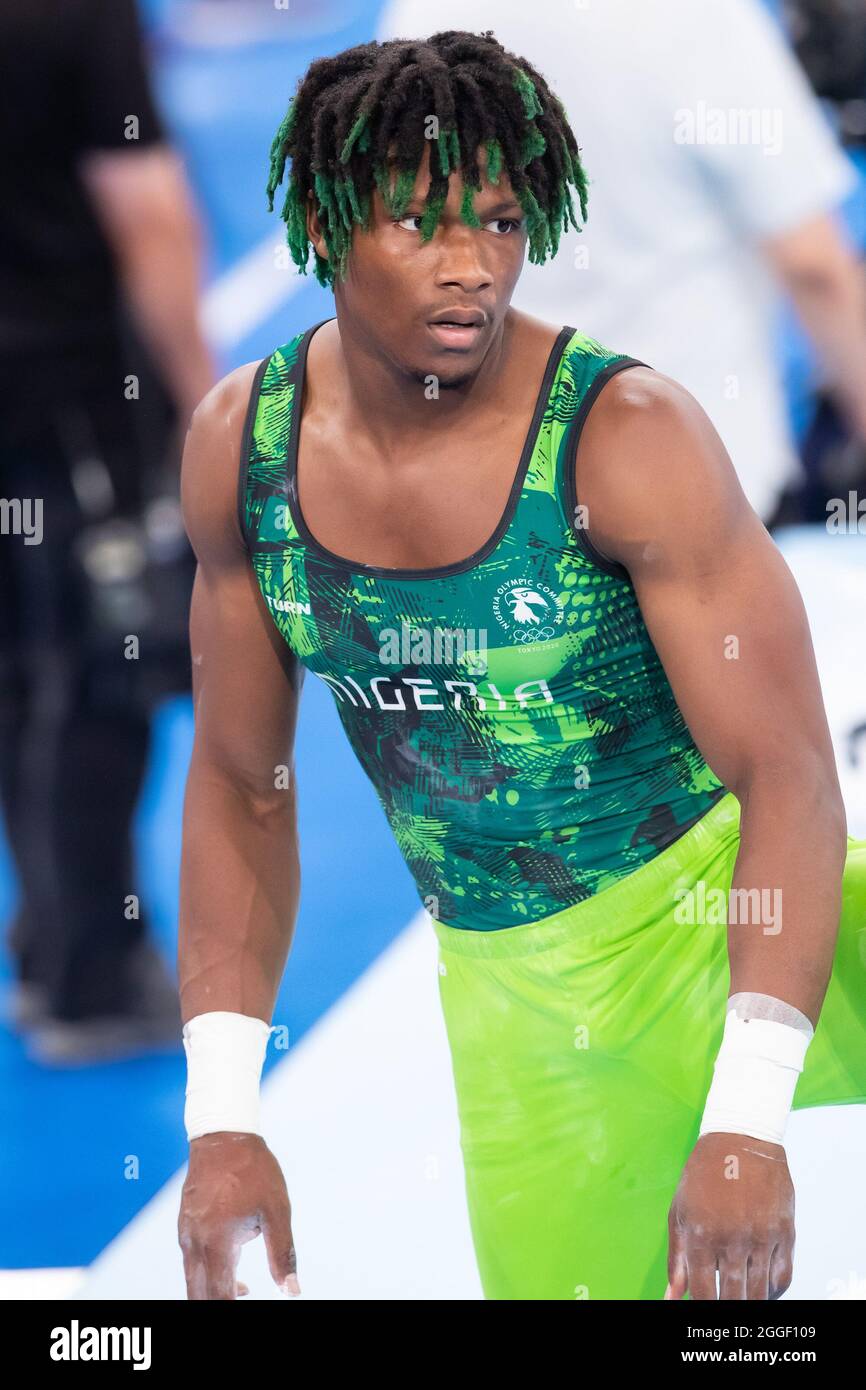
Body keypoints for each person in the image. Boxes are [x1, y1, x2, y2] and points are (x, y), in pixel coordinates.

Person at [176, 31, 866, 1300]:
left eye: (498, 222)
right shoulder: (243, 449)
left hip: (738, 906)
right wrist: (221, 1113)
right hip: (524, 1003)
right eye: (419, 225)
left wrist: (747, 1116)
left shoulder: (625, 436)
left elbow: (783, 774)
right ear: (324, 228)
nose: (470, 268)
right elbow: (236, 781)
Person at [376, 0, 866, 528]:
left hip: (494, 489)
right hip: (699, 484)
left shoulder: (422, 11)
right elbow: (813, 265)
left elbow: (403, 235)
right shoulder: (699, 18)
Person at [0, 0, 215, 1062]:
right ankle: (88, 968)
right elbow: (148, 210)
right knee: (99, 668)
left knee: (19, 667)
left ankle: (47, 945)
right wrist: (204, 403)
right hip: (64, 392)